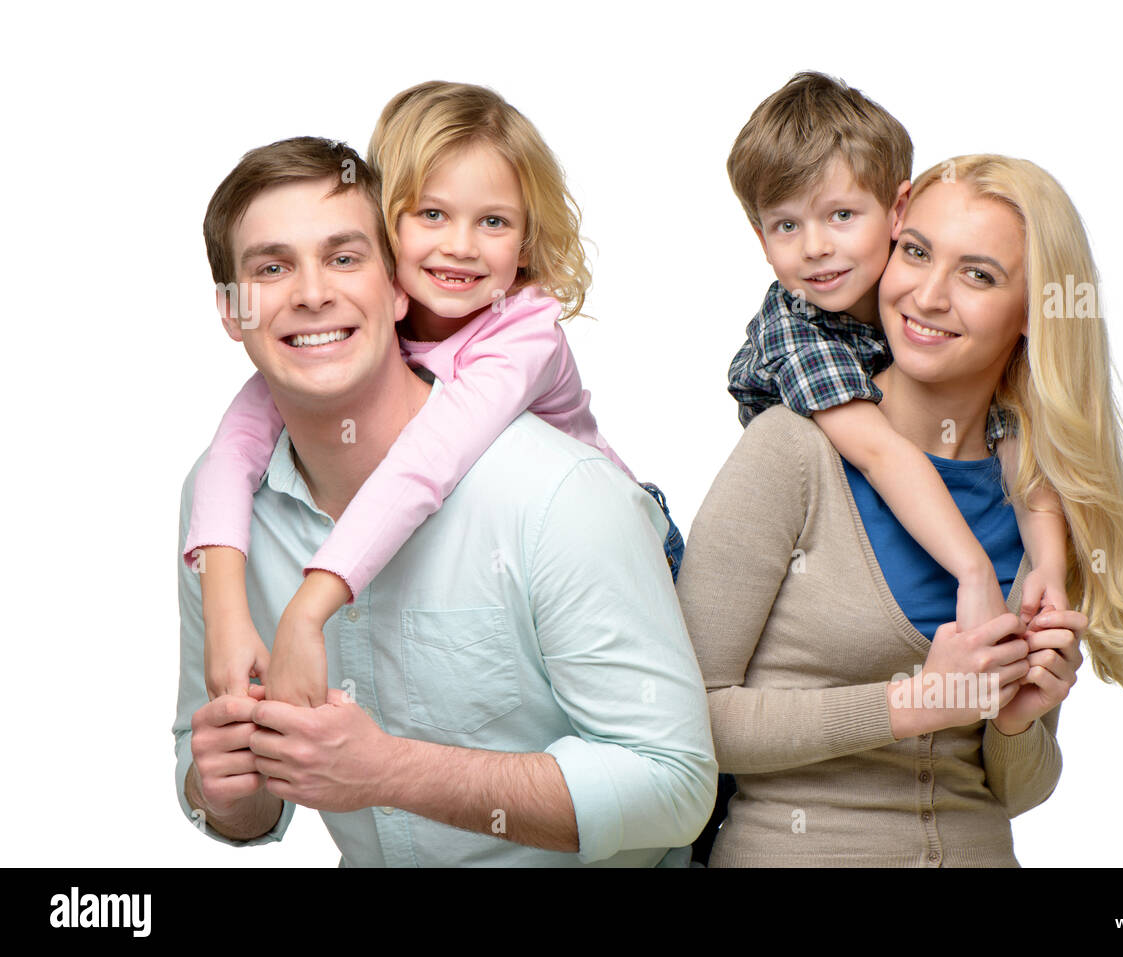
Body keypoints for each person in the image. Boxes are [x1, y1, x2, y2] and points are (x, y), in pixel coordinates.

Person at [172, 135, 716, 866]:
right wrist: (228, 794)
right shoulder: (225, 509)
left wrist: (391, 769)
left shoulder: (556, 492)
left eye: (343, 257)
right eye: (271, 267)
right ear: (231, 309)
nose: (309, 293)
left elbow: (676, 786)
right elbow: (220, 789)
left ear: (397, 285)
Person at [678, 154, 1123, 867]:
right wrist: (918, 702)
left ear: (1033, 313)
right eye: (915, 252)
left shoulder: (1039, 504)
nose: (927, 295)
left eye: (978, 274)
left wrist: (1019, 725)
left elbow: (1013, 791)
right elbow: (688, 721)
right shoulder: (793, 451)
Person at [183, 81, 685, 708]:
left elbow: (428, 461)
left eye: (494, 221)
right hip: (494, 555)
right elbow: (232, 450)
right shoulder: (365, 325)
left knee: (703, 748)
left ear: (526, 243)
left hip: (623, 548)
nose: (461, 246)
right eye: (431, 214)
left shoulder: (524, 332)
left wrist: (310, 607)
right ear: (388, 230)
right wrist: (226, 615)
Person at [726, 72, 1070, 638]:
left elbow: (1015, 431)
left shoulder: (915, 291)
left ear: (898, 208)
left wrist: (1050, 570)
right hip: (824, 514)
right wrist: (973, 572)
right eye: (786, 225)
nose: (815, 248)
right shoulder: (795, 327)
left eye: (841, 216)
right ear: (761, 238)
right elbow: (881, 453)